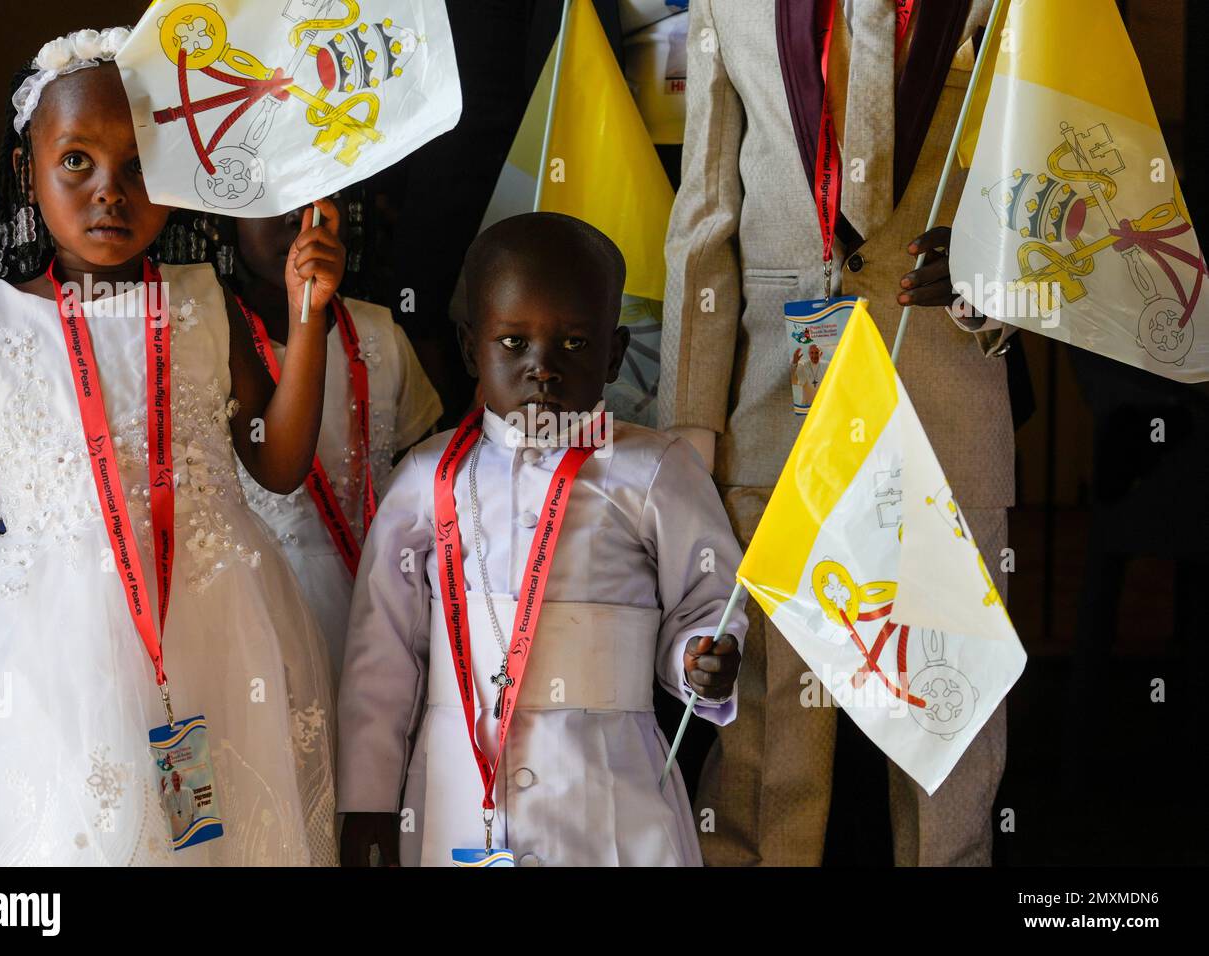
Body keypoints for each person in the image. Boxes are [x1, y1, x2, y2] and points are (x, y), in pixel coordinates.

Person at [0, 29, 338, 866]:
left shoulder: (202, 301)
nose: (111, 191)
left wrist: (307, 316)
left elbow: (278, 465)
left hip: (213, 614)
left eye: (140, 166)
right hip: (52, 642)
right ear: (28, 172)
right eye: (78, 162)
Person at [660, 0, 1014, 866]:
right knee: (772, 712)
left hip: (946, 384)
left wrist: (990, 277)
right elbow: (705, 214)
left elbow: (1047, 189)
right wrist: (691, 431)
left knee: (950, 706)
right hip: (779, 390)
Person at [335, 212, 747, 866]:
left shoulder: (656, 470)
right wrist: (366, 803)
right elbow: (381, 653)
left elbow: (708, 601)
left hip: (609, 787)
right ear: (471, 347)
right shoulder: (424, 478)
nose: (543, 370)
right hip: (454, 791)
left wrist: (698, 658)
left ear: (614, 354)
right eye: (513, 343)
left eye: (575, 346)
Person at [213, 208, 442, 684]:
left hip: (380, 603)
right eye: (271, 204)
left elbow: (425, 491)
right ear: (223, 219)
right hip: (254, 610)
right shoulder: (210, 340)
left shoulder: (381, 333)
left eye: (311, 200)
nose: (296, 221)